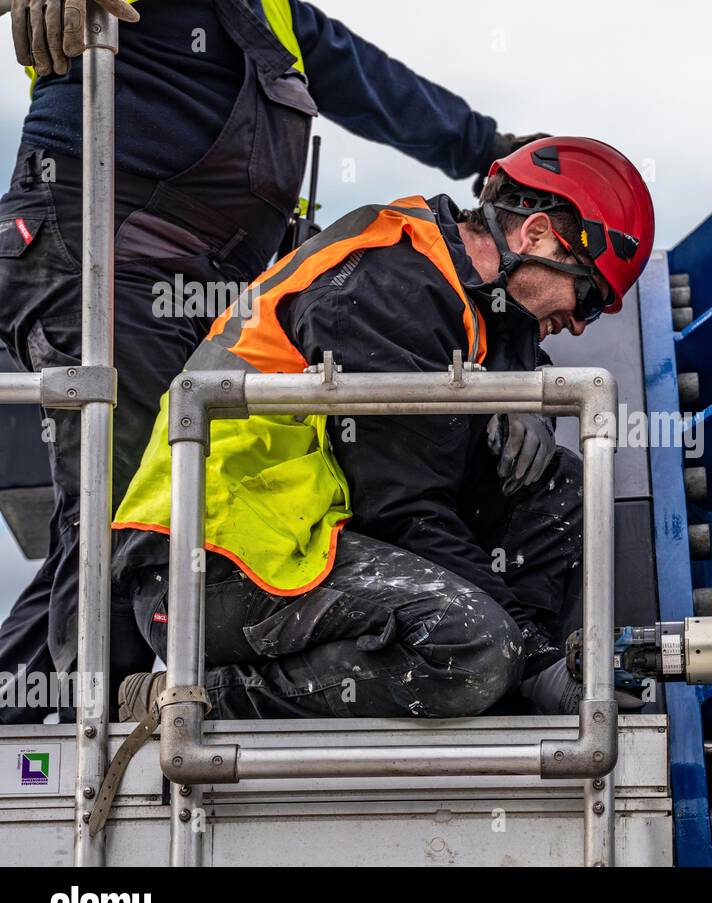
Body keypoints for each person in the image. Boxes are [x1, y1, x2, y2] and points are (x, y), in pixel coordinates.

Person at [0, 0, 544, 722]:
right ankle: (91, 737)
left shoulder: (273, 14)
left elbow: (365, 78)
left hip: (191, 284)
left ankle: (19, 708)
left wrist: (492, 150)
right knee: (121, 516)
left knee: (138, 511)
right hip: (101, 251)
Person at [112, 136, 654, 720]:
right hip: (215, 564)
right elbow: (403, 509)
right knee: (475, 647)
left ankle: (522, 685)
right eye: (590, 297)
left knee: (557, 487)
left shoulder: (442, 279)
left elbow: (475, 330)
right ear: (538, 234)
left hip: (304, 540)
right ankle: (194, 699)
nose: (579, 324)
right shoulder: (386, 288)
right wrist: (528, 653)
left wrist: (520, 382)